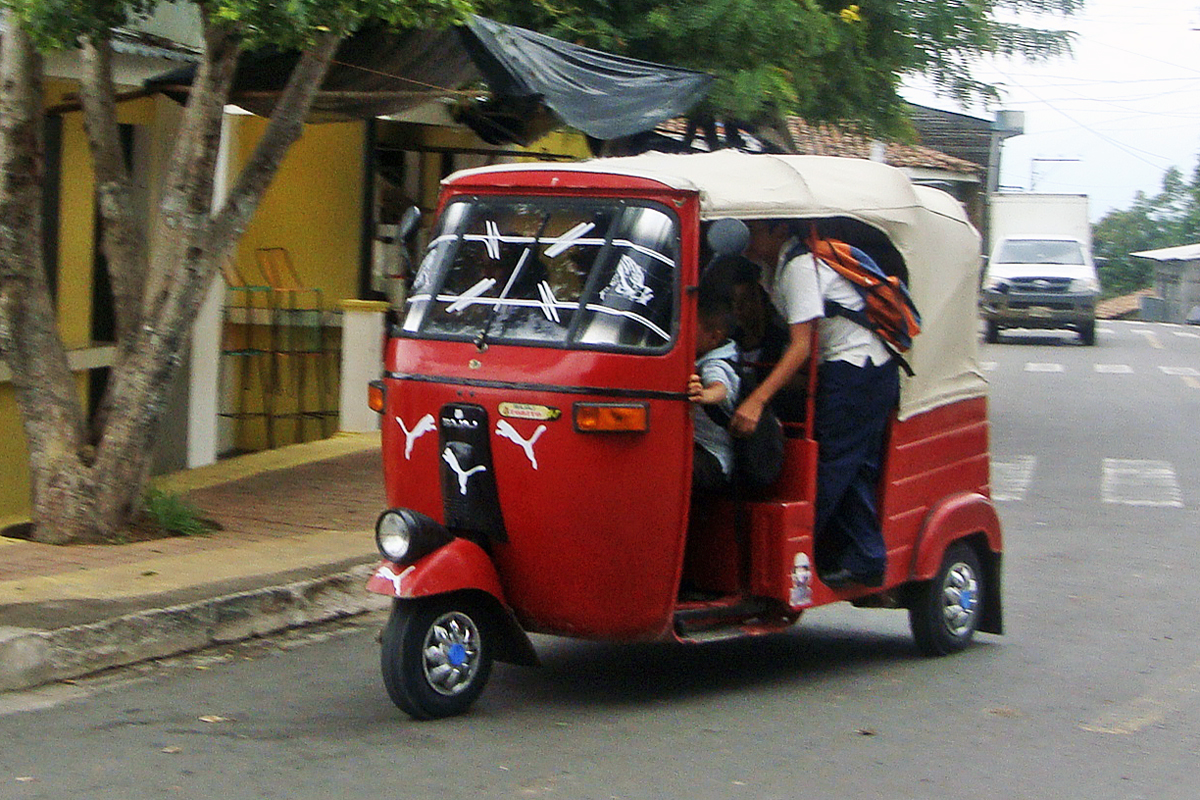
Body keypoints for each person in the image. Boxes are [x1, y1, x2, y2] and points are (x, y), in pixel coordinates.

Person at [731, 220, 900, 589]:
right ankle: (867, 558)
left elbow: (800, 347)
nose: (746, 237)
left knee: (829, 467)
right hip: (864, 369)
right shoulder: (773, 270)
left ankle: (797, 556)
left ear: (779, 231)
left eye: (754, 229)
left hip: (856, 369)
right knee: (852, 467)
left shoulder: (799, 268)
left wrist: (758, 400)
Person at [688, 290, 741, 492]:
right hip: (694, 446)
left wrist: (703, 394)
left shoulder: (716, 364)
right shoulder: (702, 358)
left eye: (691, 329)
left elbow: (720, 389)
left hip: (712, 458)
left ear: (714, 337)